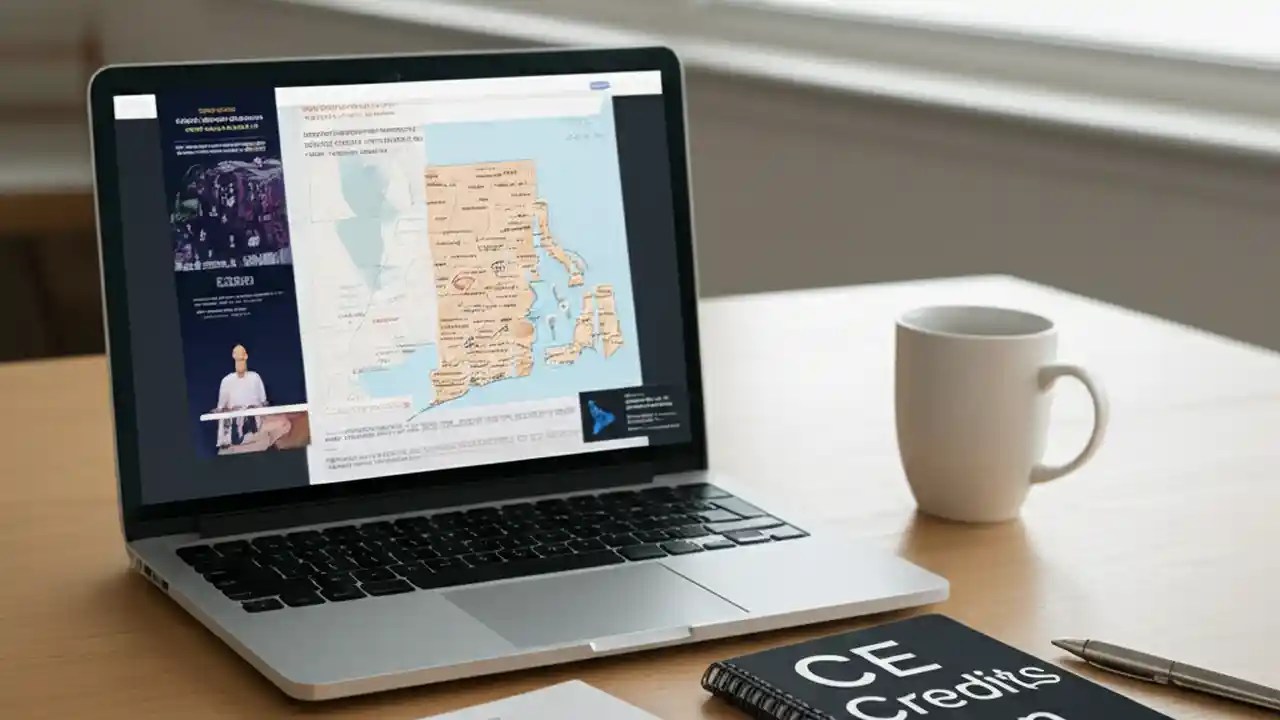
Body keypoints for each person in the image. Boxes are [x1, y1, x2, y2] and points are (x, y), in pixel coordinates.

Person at [214, 344, 268, 448]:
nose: (239, 358)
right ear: (233, 356)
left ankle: (251, 429)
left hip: (254, 420)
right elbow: (221, 408)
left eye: (241, 355)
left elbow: (264, 402)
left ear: (246, 356)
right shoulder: (227, 381)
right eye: (236, 355)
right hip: (235, 421)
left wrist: (255, 409)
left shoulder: (255, 378)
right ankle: (236, 434)